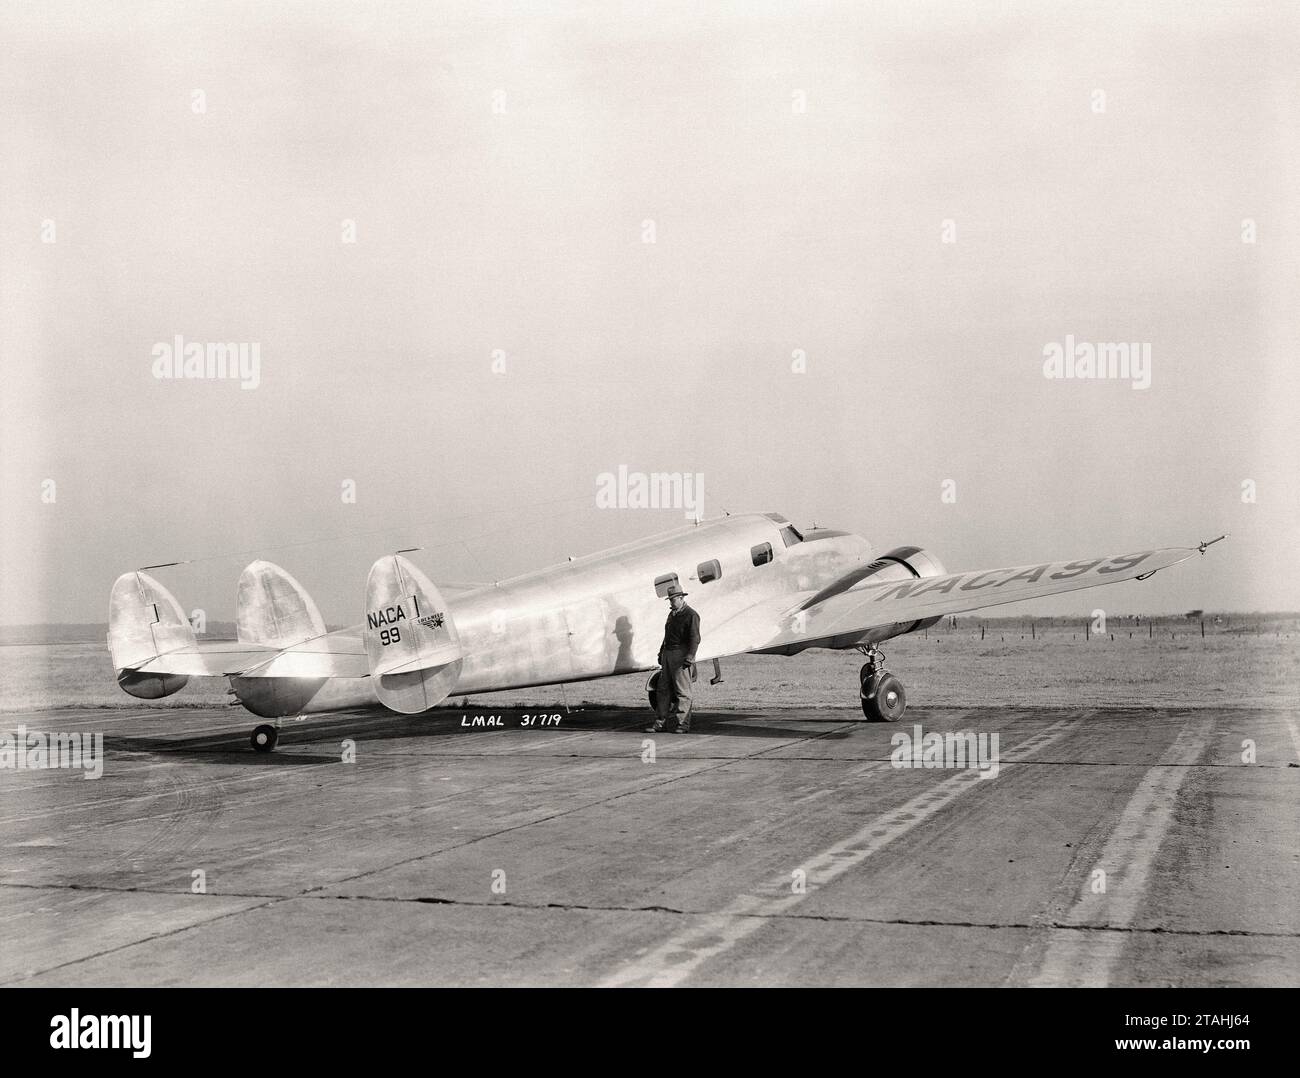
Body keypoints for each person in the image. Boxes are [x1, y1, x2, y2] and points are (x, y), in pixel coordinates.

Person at [646, 584, 701, 734]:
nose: (671, 603)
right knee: (663, 690)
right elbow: (667, 636)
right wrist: (661, 652)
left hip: (681, 654)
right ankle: (660, 723)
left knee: (682, 691)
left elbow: (695, 638)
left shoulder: (691, 615)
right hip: (668, 654)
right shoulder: (672, 614)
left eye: (673, 599)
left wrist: (690, 656)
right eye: (670, 600)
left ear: (682, 598)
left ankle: (682, 724)